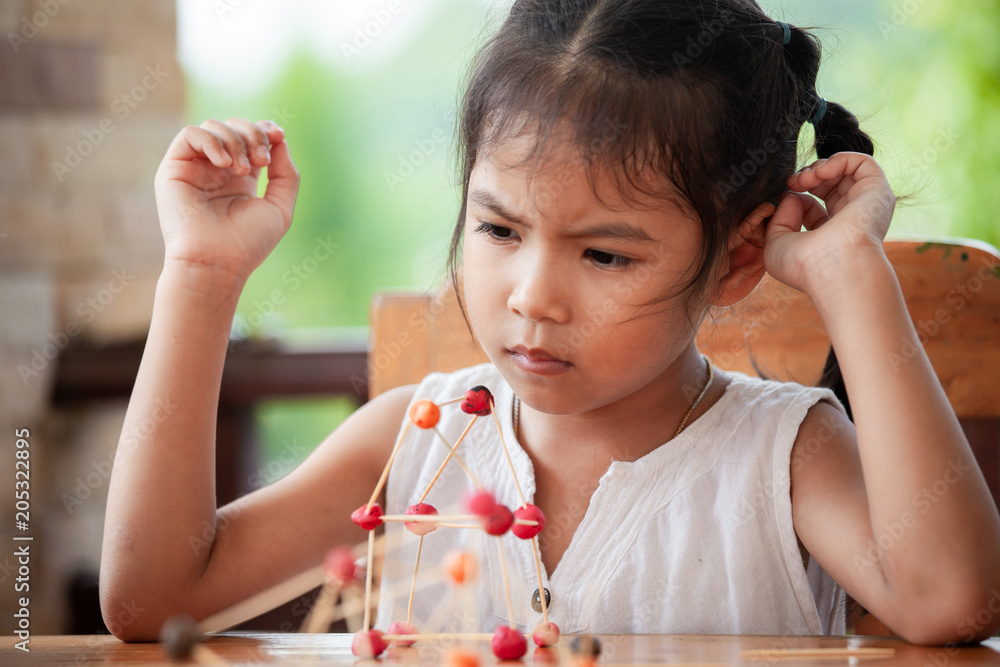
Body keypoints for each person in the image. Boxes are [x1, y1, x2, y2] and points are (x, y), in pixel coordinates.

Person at [100, 0, 1000, 646]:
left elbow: (954, 600)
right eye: (499, 230)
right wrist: (201, 276)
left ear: (735, 259)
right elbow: (152, 597)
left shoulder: (784, 456)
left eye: (604, 254)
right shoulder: (415, 443)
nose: (532, 296)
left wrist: (851, 274)